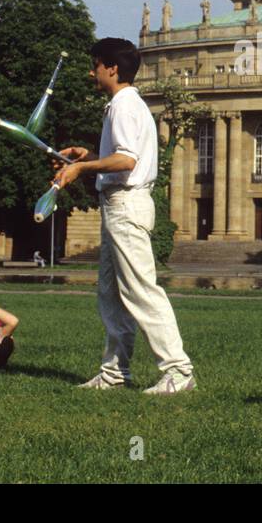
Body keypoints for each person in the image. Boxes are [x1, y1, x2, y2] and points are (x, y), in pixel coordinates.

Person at [51, 37, 196, 394]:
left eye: (95, 65)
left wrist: (81, 168)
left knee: (140, 290)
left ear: (111, 68)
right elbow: (120, 156)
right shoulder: (125, 105)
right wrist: (87, 154)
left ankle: (179, 370)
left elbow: (126, 160)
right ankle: (116, 372)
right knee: (111, 293)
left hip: (127, 205)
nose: (92, 72)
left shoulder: (124, 105)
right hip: (118, 204)